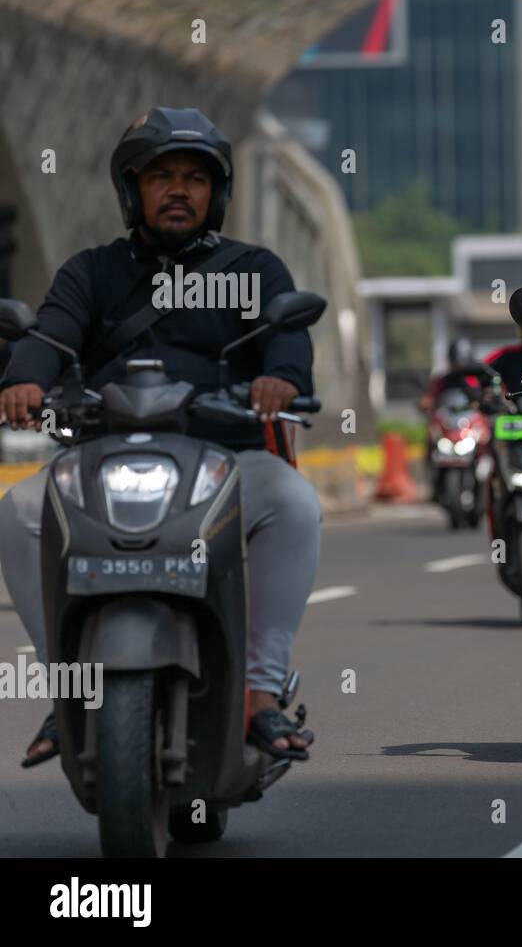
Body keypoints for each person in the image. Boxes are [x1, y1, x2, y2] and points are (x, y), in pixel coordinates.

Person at [0, 107, 319, 766]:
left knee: (292, 501)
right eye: (162, 176)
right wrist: (22, 381)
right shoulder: (91, 272)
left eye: (196, 178)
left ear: (217, 193)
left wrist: (282, 380)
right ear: (132, 190)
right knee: (19, 512)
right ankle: (68, 691)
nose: (179, 189)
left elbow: (287, 337)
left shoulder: (255, 269)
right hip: (103, 456)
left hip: (227, 460)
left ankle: (259, 693)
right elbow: (48, 336)